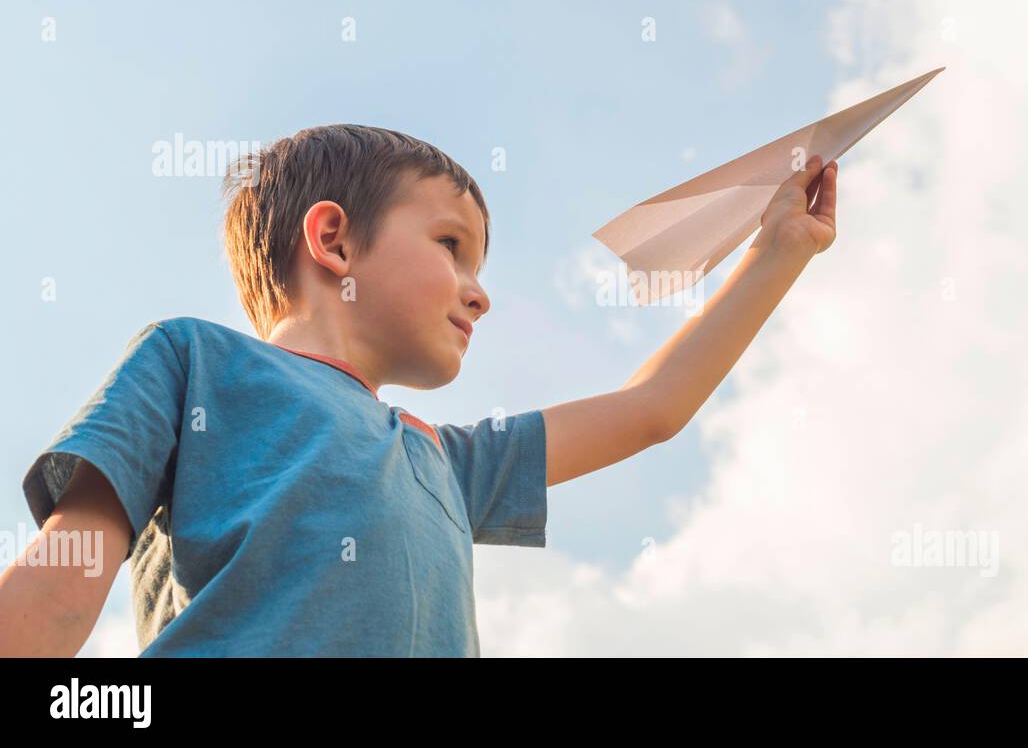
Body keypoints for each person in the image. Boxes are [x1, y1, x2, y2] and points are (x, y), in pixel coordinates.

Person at [0, 124, 838, 656]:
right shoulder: (194, 361)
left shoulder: (443, 459)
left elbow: (649, 410)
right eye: (451, 245)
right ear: (332, 239)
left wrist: (780, 250)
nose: (480, 292)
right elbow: (67, 566)